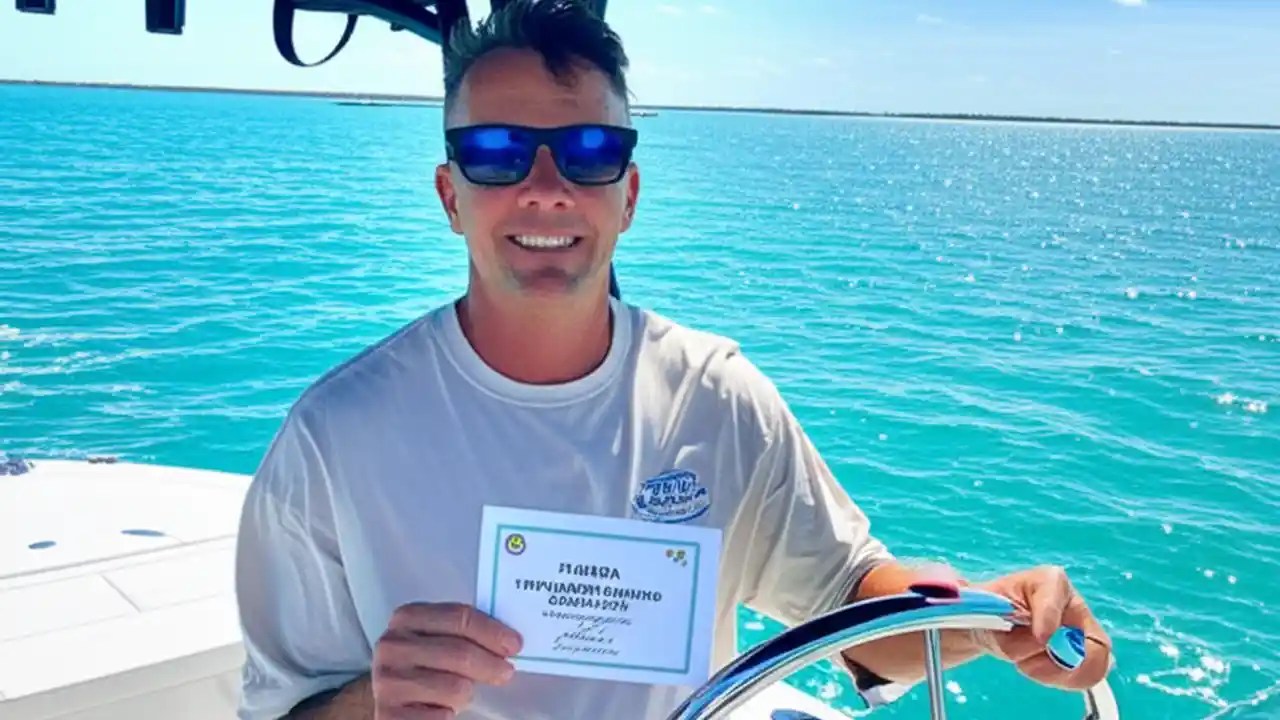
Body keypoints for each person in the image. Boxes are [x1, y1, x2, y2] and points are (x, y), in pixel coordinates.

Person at [233, 1, 1113, 718]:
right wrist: (375, 700)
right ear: (449, 195)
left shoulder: (714, 395)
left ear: (630, 196)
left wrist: (998, 620)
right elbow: (284, 710)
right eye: (496, 153)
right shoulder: (336, 437)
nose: (546, 187)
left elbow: (852, 602)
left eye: (589, 153)